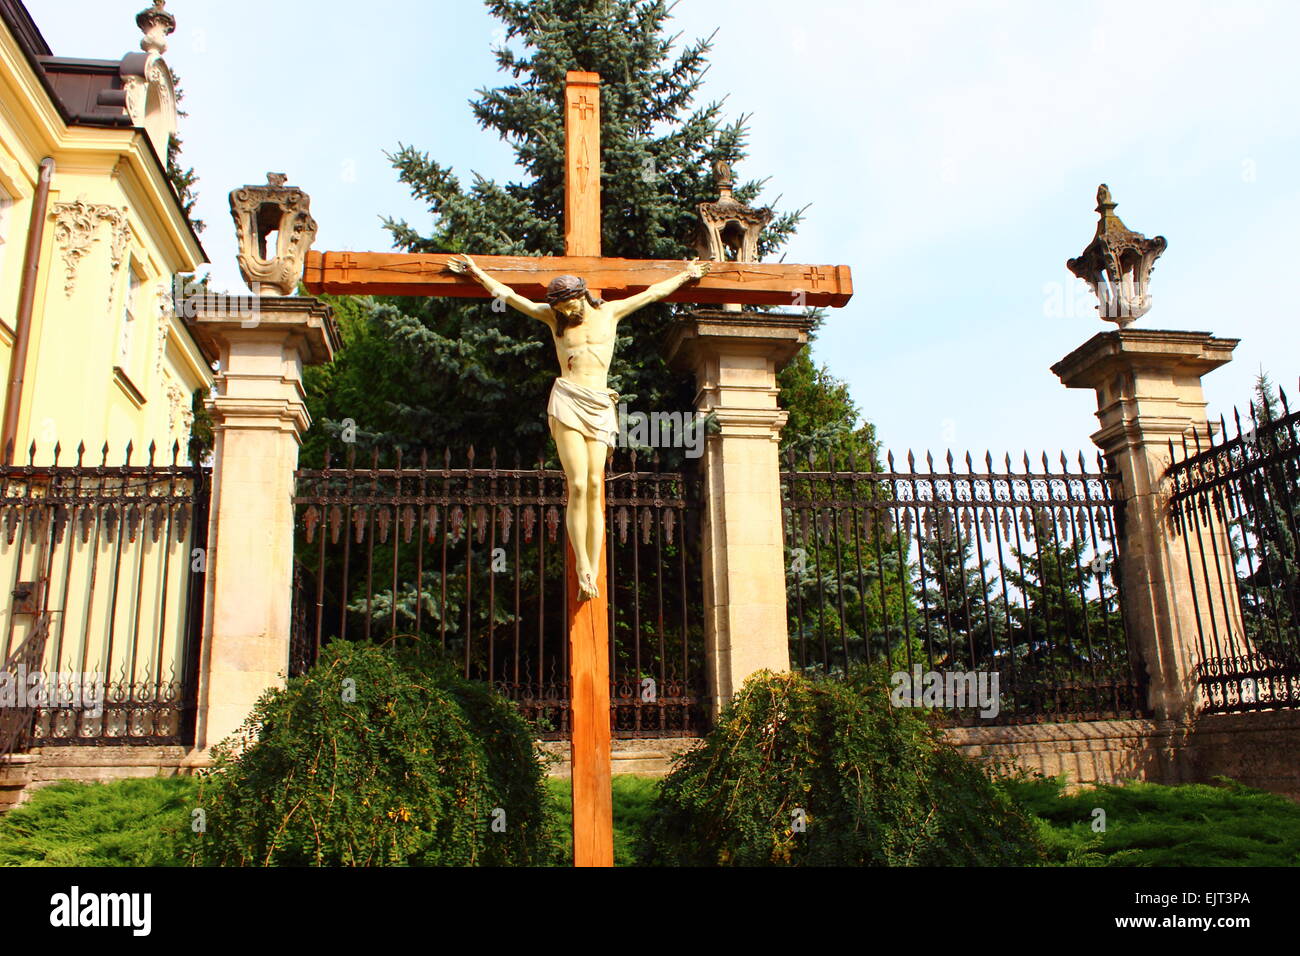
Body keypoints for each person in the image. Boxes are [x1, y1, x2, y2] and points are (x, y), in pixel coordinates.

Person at [448, 254, 710, 599]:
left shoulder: (610, 312)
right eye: (559, 307)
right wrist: (477, 273)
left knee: (594, 485)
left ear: (582, 295)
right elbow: (510, 296)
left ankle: (594, 567)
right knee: (577, 485)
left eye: (569, 305)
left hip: (600, 404)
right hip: (568, 398)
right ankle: (581, 564)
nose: (565, 313)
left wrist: (686, 274)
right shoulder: (552, 317)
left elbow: (652, 293)